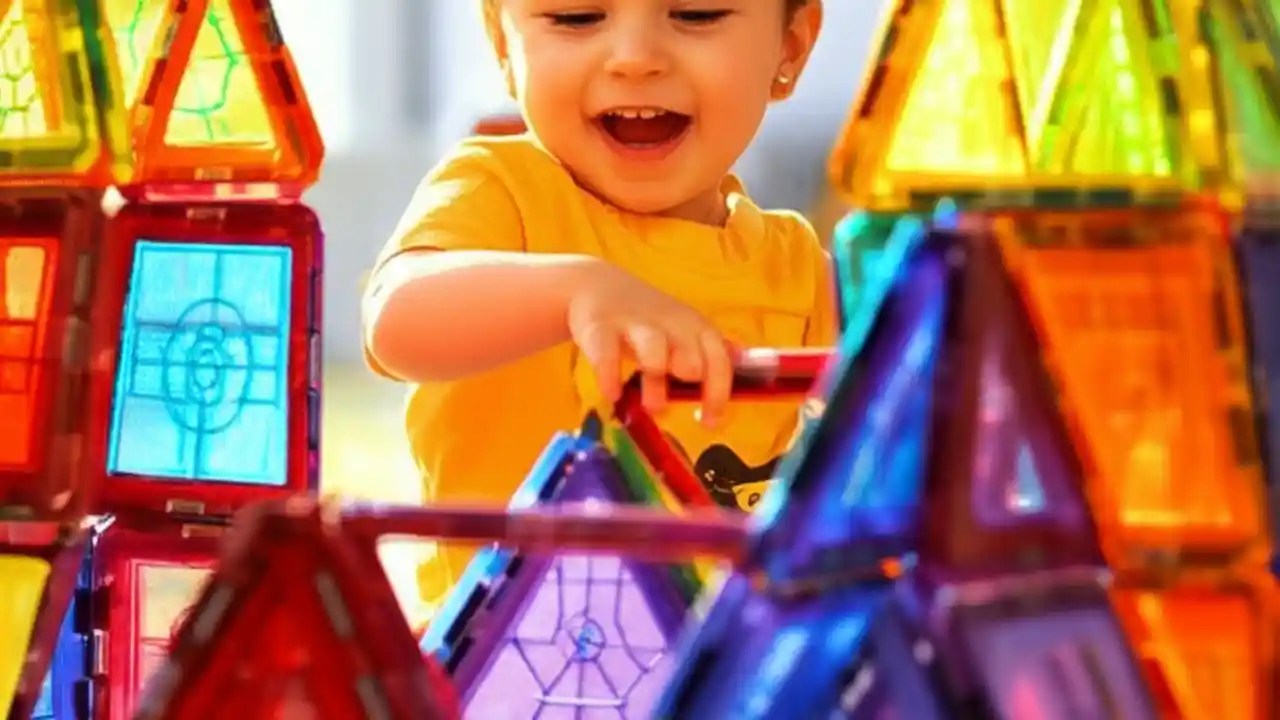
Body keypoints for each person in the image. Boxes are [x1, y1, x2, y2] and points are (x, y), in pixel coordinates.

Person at [362, 0, 834, 607]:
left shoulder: (799, 270)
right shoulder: (504, 194)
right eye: (576, 17)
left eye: (696, 14)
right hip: (507, 673)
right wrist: (575, 290)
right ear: (504, 45)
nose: (635, 59)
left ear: (789, 46)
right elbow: (396, 319)